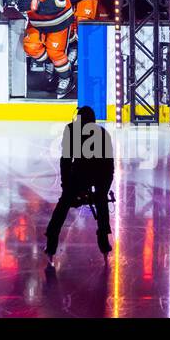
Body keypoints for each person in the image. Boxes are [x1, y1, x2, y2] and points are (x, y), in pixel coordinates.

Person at [44, 106, 114, 260]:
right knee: (101, 204)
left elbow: (66, 161)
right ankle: (103, 241)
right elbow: (109, 166)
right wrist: (102, 190)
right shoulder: (102, 133)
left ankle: (51, 241)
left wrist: (66, 186)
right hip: (98, 174)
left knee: (64, 204)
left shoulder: (71, 131)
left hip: (85, 173)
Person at [8, 0, 75, 98]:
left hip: (59, 20)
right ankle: (52, 65)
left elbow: (59, 3)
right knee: (31, 46)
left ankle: (67, 78)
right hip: (37, 21)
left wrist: (33, 5)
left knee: (55, 53)